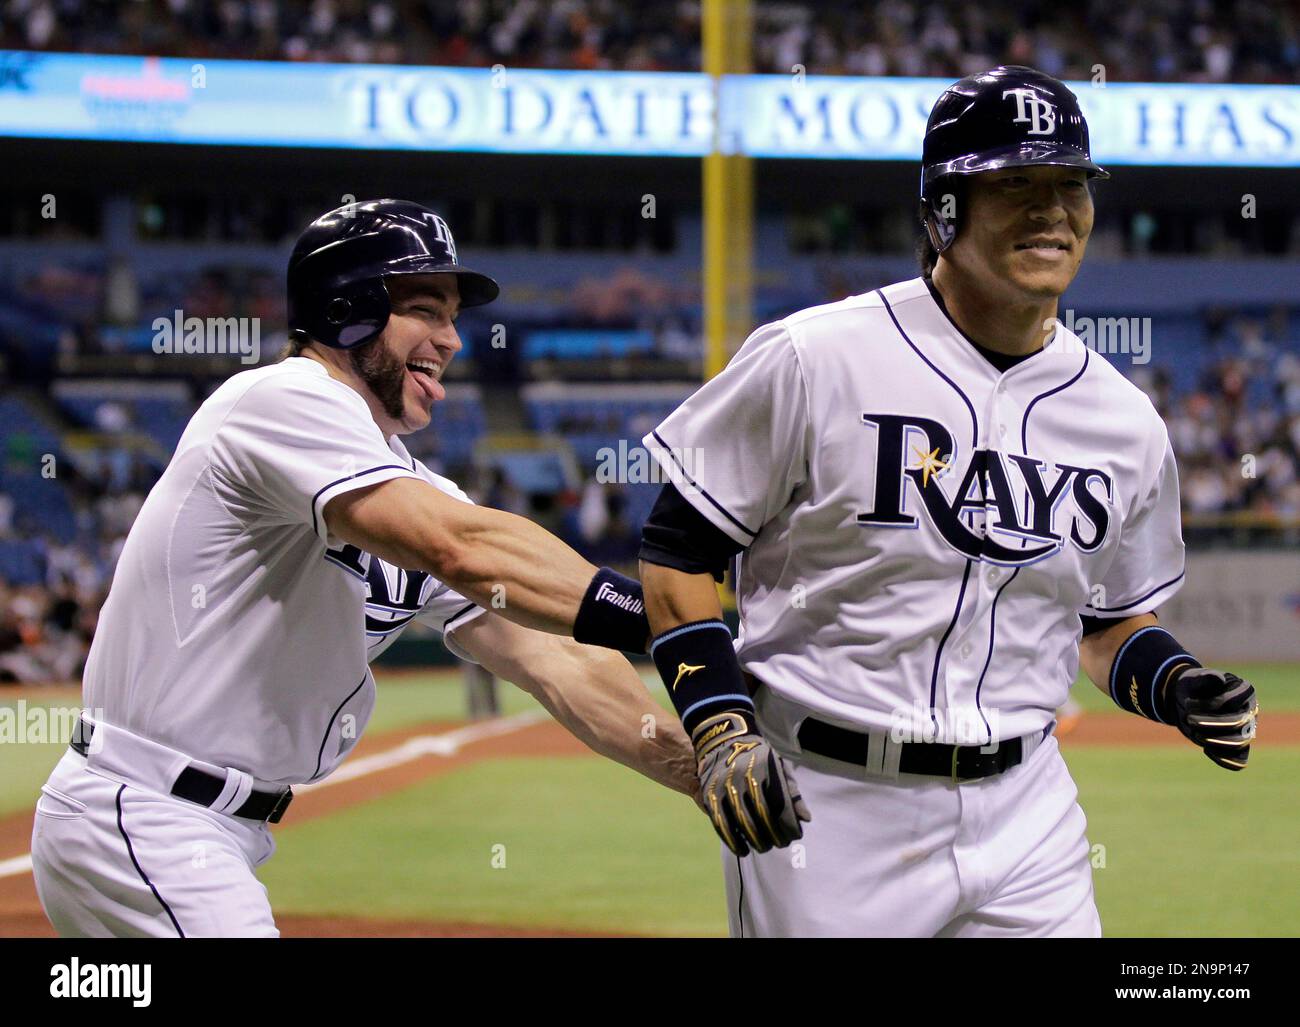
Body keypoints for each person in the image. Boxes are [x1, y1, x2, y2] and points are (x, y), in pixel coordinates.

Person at [636, 67, 1259, 937]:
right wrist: (720, 726)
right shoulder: (816, 357)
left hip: (1028, 805)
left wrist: (1176, 682)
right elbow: (676, 552)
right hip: (829, 804)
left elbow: (1106, 622)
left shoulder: (1125, 422)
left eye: (1069, 183)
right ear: (942, 211)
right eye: (1014, 183)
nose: (1051, 208)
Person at [30, 199, 696, 938]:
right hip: (147, 813)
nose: (450, 341)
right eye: (425, 310)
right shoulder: (284, 399)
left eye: (453, 319)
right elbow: (462, 547)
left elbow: (556, 657)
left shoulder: (404, 488)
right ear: (348, 308)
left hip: (201, 829)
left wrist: (696, 765)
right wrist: (674, 622)